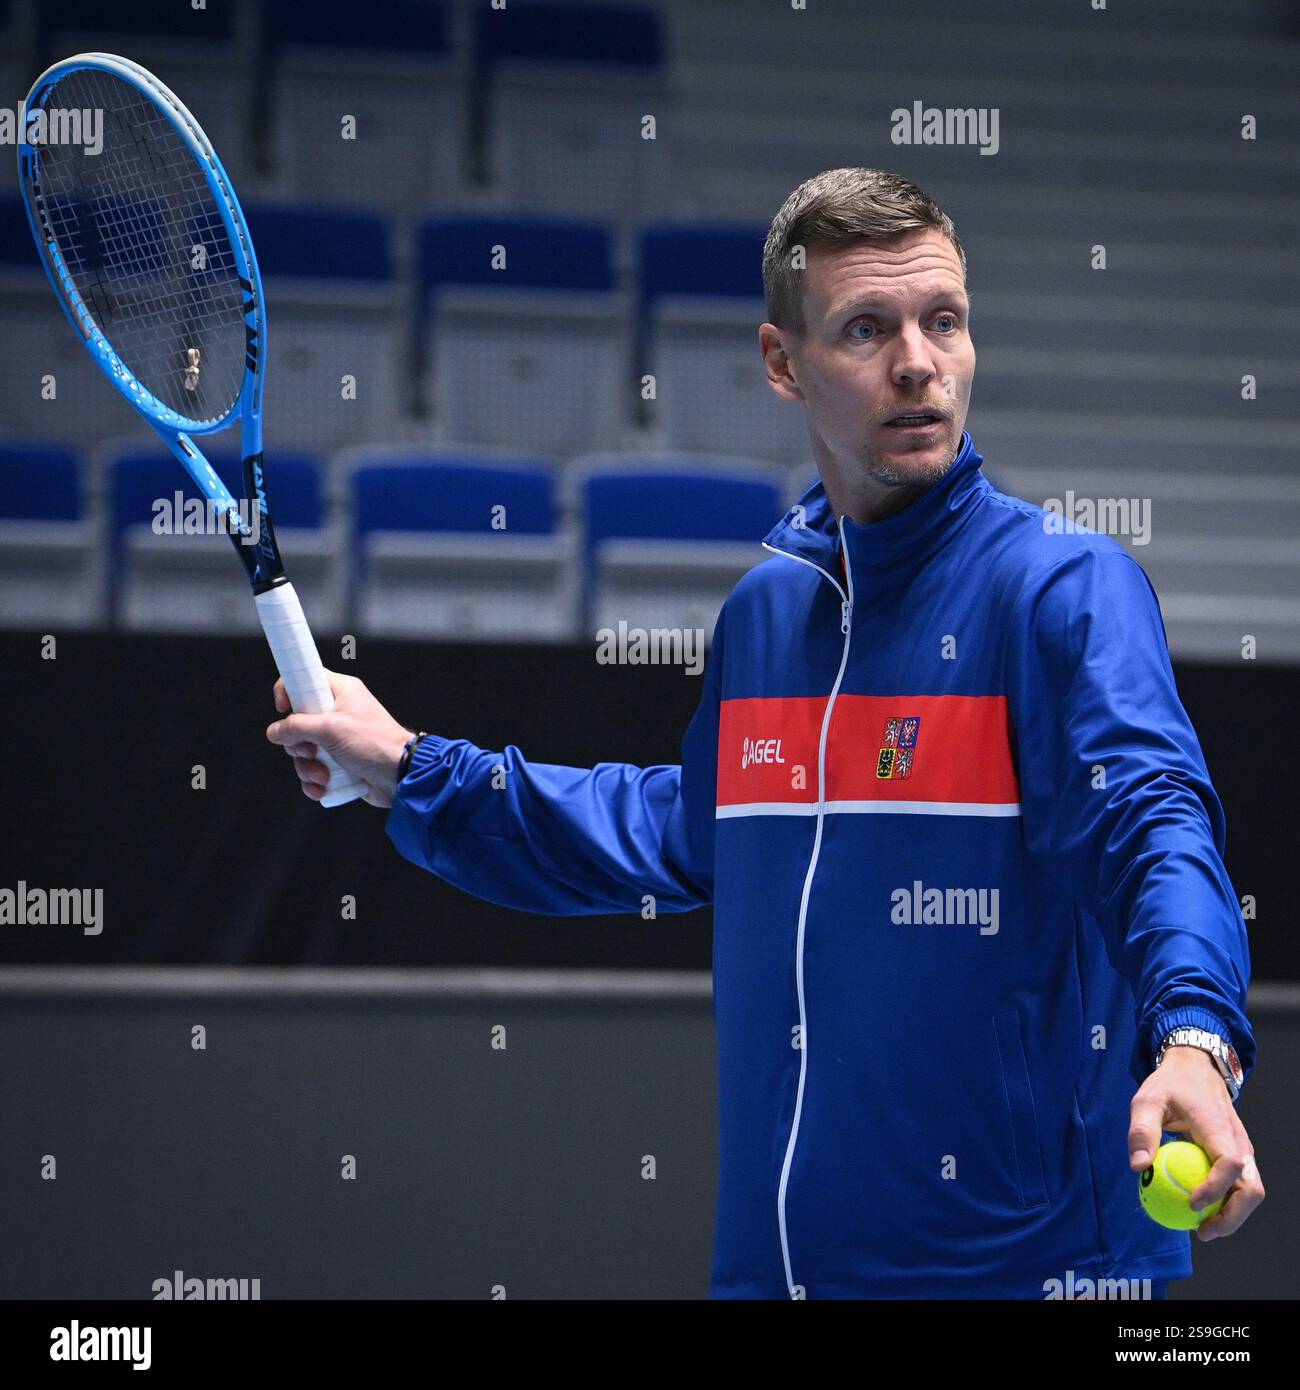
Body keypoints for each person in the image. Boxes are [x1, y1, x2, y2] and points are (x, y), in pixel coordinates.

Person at [266, 167, 1262, 1300]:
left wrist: (1192, 1037)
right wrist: (408, 767)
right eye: (866, 328)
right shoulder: (765, 617)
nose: (918, 362)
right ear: (782, 363)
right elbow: (680, 831)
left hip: (1031, 1275)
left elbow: (1154, 826)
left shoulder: (1061, 591)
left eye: (943, 320)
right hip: (779, 1277)